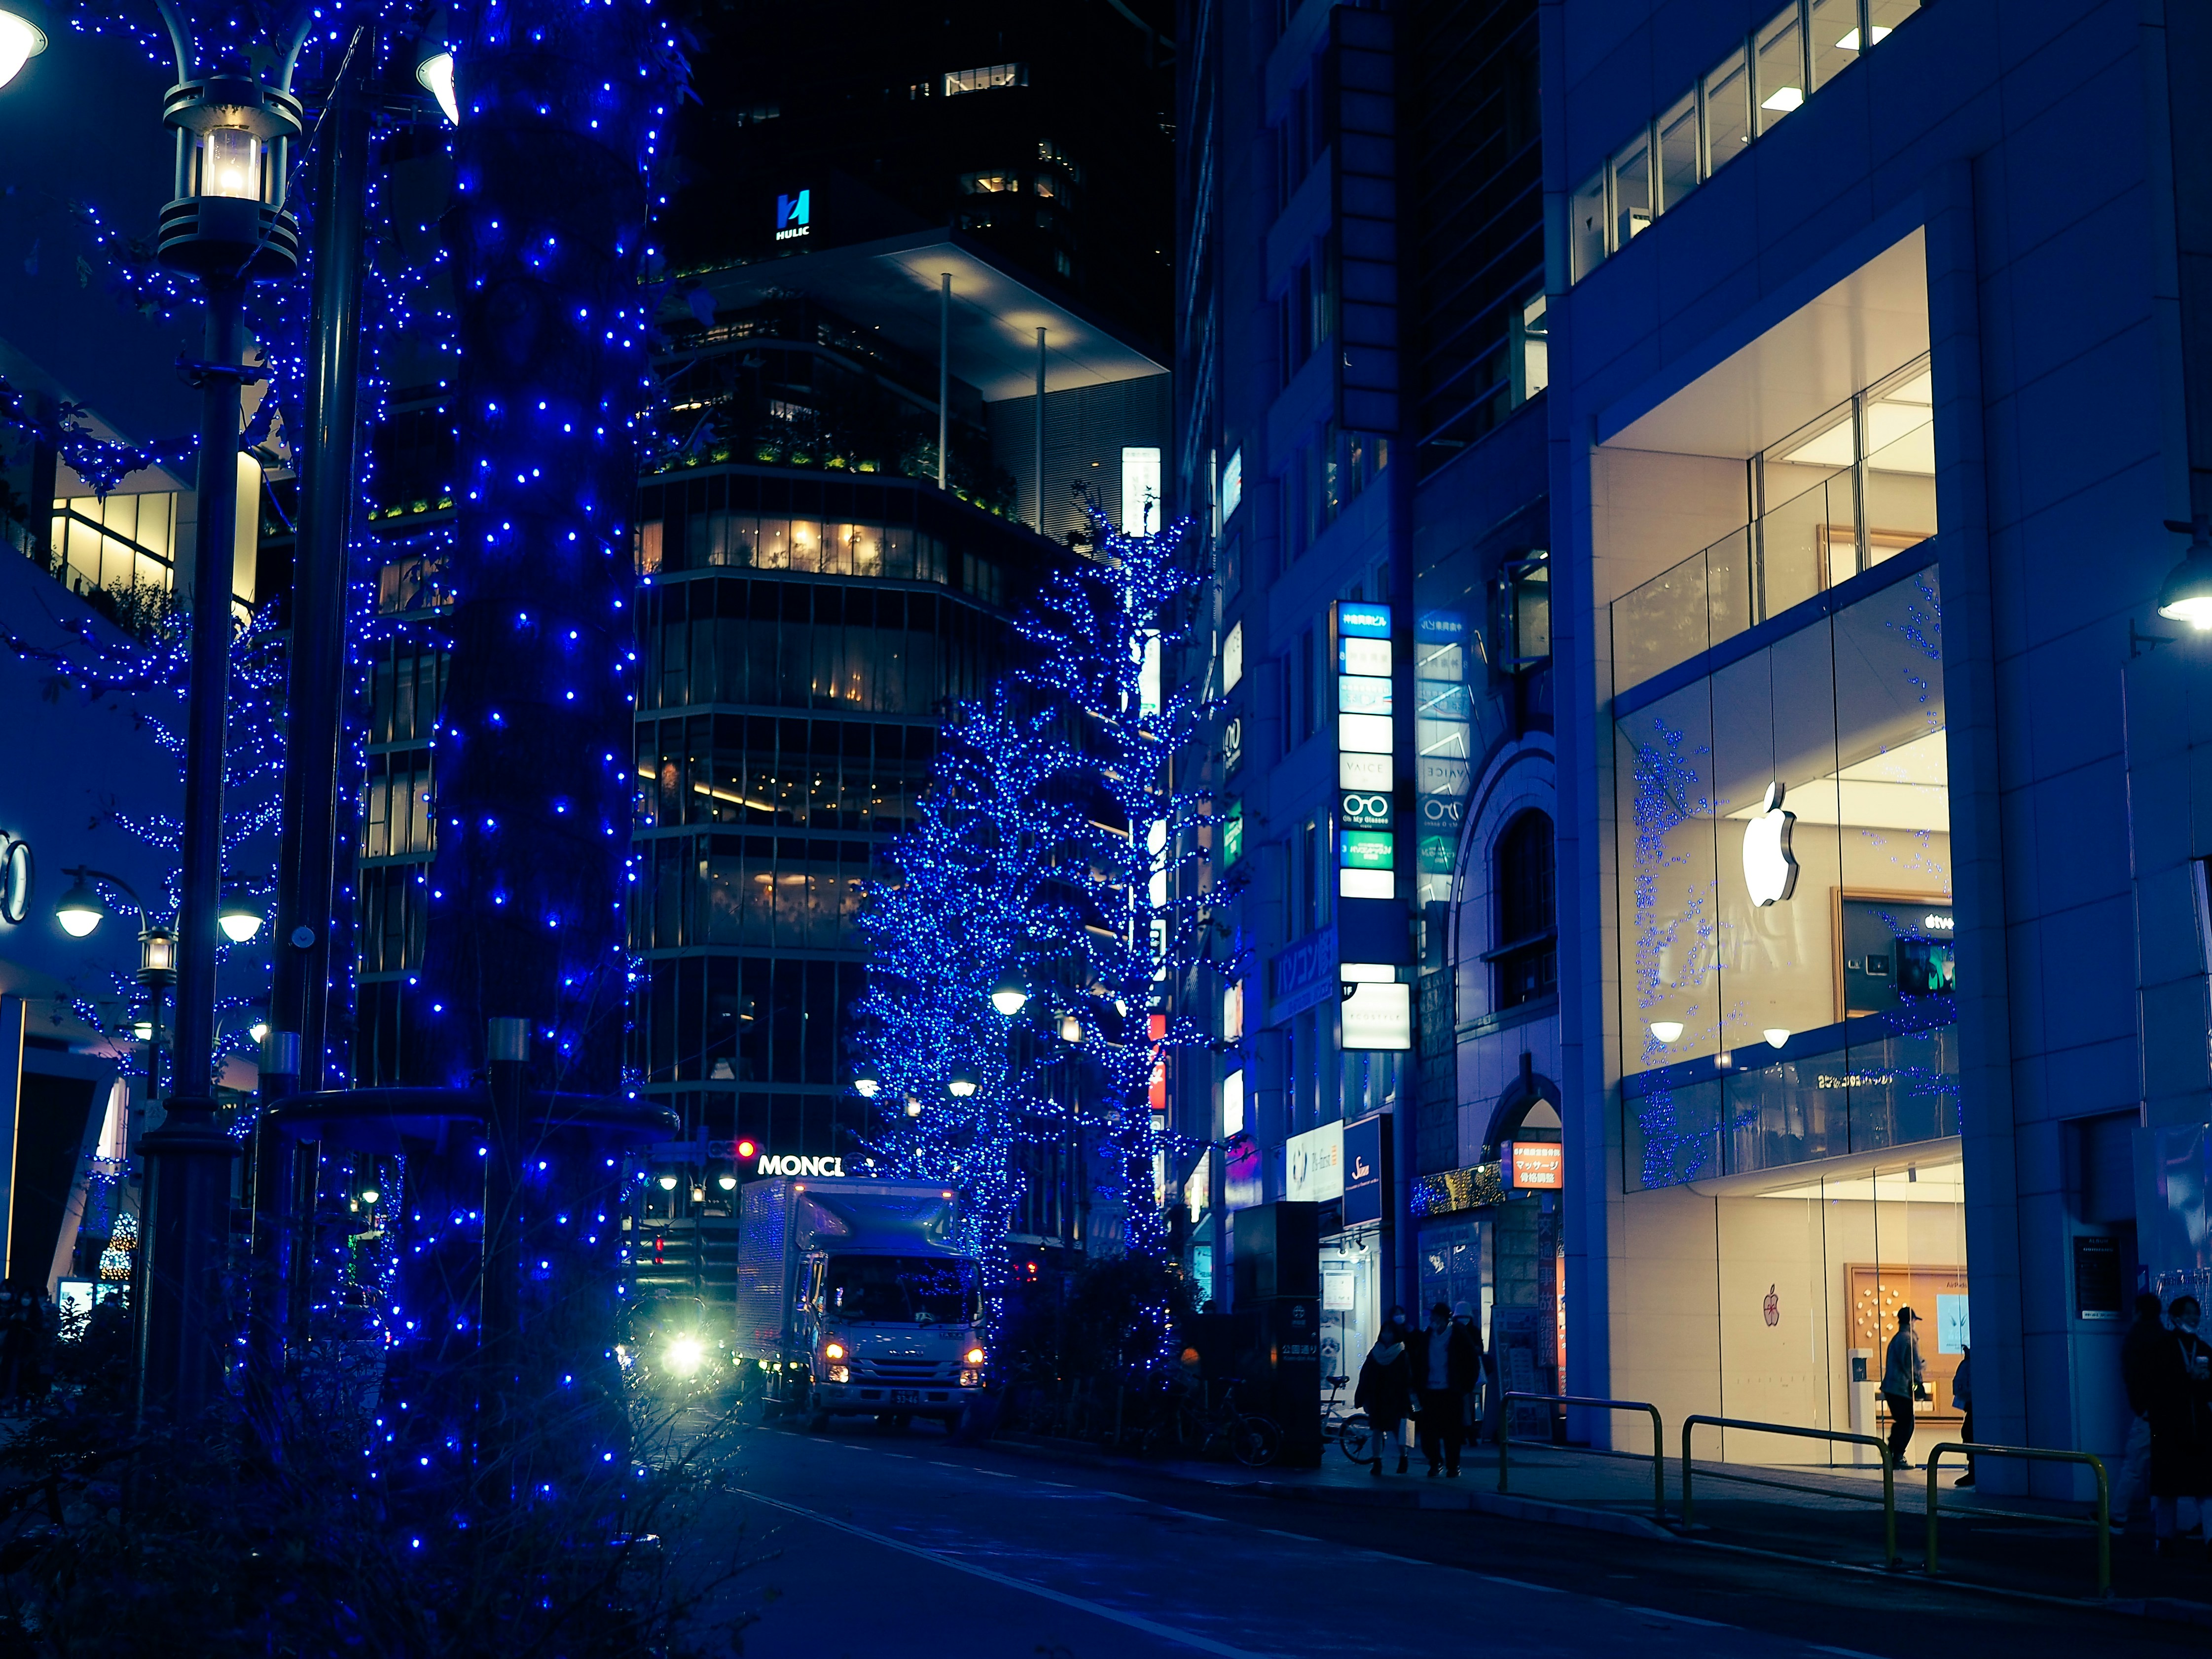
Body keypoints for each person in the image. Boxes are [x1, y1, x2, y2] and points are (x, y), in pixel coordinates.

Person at [2144, 1294, 2212, 1557]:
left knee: (2206, 1487)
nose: (2193, 1318)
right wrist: (2189, 1379)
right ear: (2174, 1318)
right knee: (2168, 1489)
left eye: (2195, 1313)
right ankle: (2164, 1538)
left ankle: (2209, 1538)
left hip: (2200, 1429)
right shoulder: (2163, 1348)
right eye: (2187, 1314)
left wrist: (2203, 1382)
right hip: (2171, 1429)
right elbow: (2158, 1387)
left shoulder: (2204, 1349)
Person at [2117, 1291, 2168, 1530]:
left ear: (2138, 1312)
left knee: (2134, 1465)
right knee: (2164, 1465)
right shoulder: (2165, 1337)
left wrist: (2141, 1408)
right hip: (2167, 1413)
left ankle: (2117, 1515)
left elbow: (2133, 1378)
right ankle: (2163, 1519)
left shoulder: (2135, 1340)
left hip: (2147, 1414)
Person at [1355, 1319, 1413, 1477]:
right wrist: (1362, 1397)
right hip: (1377, 1398)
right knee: (1377, 1430)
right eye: (1385, 1331)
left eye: (1390, 1332)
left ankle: (1404, 1458)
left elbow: (1407, 1379)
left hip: (1396, 1399)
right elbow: (1365, 1375)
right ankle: (1377, 1463)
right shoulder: (1375, 1352)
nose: (1387, 1335)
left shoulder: (1401, 1353)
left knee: (1398, 1431)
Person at [1881, 1305, 1927, 1470]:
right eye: (1914, 1320)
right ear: (1911, 1321)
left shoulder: (1897, 1338)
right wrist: (1923, 1365)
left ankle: (1891, 1451)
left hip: (1891, 1386)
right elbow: (1912, 1364)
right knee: (1908, 1422)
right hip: (1900, 1387)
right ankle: (1897, 1455)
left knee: (1903, 1420)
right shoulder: (1909, 1339)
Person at [1951, 1344, 1974, 1487]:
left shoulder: (1970, 1363)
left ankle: (1974, 1472)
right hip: (1973, 1404)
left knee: (1969, 1433)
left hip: (1974, 1405)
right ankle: (1974, 1471)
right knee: (1968, 1432)